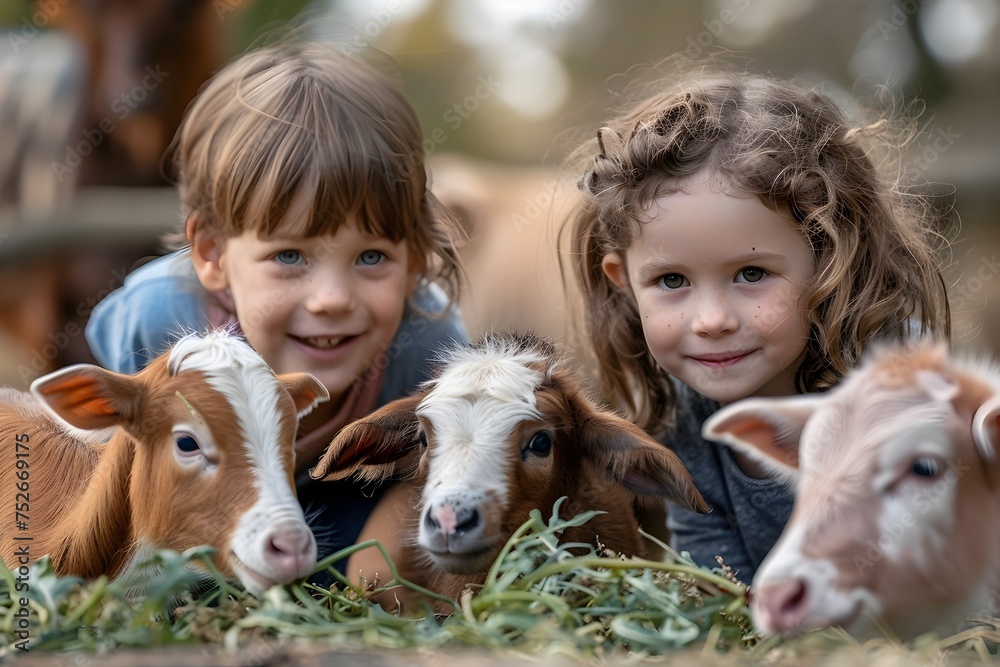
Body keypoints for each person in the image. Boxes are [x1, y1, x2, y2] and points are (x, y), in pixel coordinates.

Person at [85, 38, 468, 585]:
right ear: (214, 254)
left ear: (413, 263)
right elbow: (113, 453)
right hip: (201, 512)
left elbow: (457, 472)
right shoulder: (160, 319)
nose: (332, 298)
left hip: (348, 507)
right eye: (289, 255)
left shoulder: (428, 350)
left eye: (372, 256)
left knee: (378, 570)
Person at [567, 61, 951, 581]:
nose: (711, 320)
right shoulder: (687, 406)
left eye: (751, 273)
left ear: (831, 259)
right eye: (672, 282)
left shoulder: (898, 391)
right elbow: (709, 552)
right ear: (624, 281)